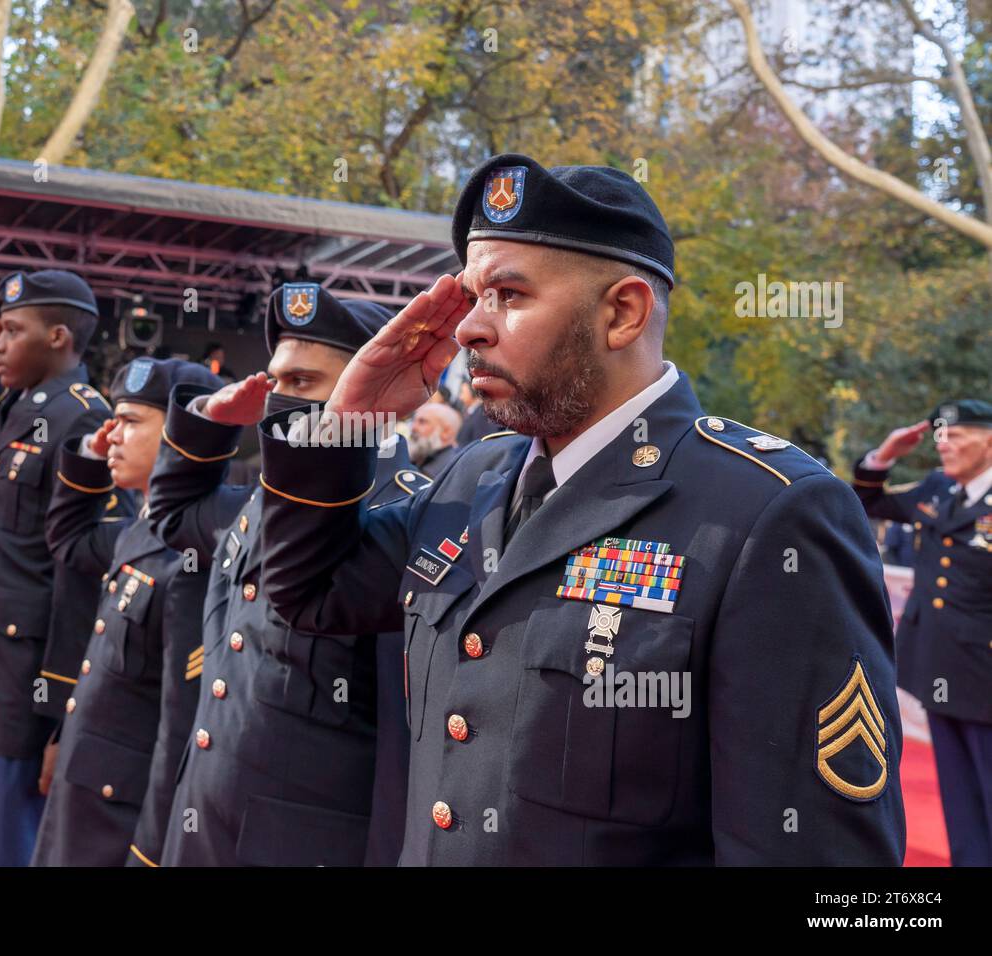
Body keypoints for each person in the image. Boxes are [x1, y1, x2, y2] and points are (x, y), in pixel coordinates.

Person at [254, 154, 906, 865]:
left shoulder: (767, 513)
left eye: (507, 294)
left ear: (622, 312)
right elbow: (308, 594)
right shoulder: (472, 476)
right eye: (472, 297)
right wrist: (344, 425)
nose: (470, 328)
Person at [147, 283, 429, 866]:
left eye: (303, 383)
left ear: (367, 389)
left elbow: (404, 749)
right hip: (204, 830)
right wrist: (207, 418)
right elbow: (172, 516)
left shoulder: (409, 519)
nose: (279, 400)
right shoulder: (262, 504)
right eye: (275, 381)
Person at [0, 269, 113, 866]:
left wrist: (60, 718)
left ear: (60, 337)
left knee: (6, 843)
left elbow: (84, 580)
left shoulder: (84, 420)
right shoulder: (23, 405)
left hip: (25, 685)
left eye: (13, 330)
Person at [31, 357, 219, 866]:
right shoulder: (140, 529)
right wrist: (89, 457)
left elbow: (180, 727)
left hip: (124, 816)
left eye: (132, 422)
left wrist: (151, 850)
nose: (111, 434)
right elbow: (69, 539)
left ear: (186, 435)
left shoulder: (194, 555)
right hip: (87, 789)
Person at [852, 399, 992, 865]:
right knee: (959, 798)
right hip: (938, 666)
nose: (944, 446)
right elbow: (866, 500)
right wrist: (885, 455)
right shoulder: (938, 489)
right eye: (939, 438)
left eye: (956, 437)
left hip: (985, 674)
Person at [408, 401, 462, 478]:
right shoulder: (419, 457)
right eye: (414, 421)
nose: (413, 428)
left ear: (446, 432)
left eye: (422, 422)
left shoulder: (451, 469)